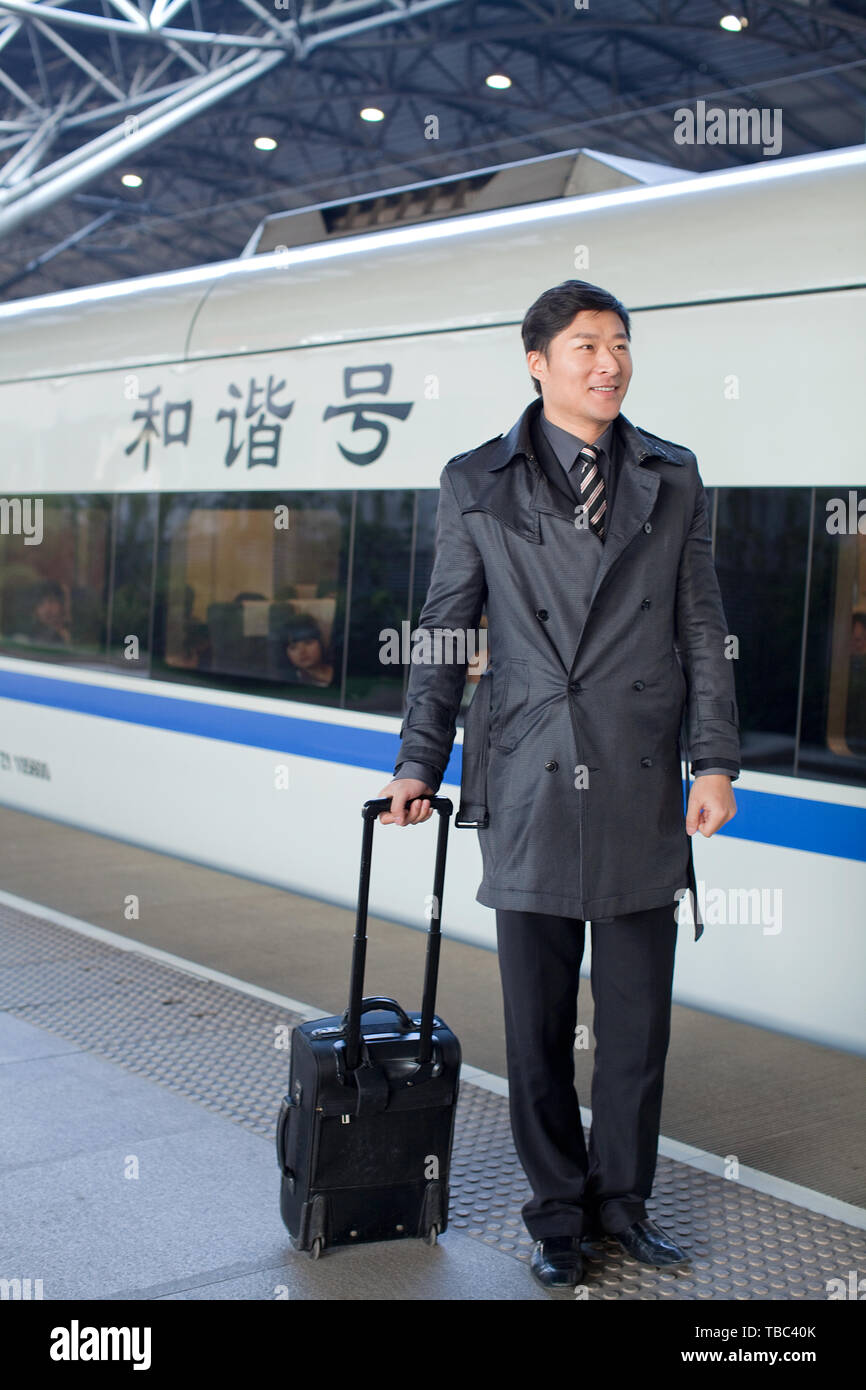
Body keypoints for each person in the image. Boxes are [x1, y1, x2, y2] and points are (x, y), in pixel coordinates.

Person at [376, 279, 740, 1293]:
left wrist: (711, 761)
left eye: (620, 344)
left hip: (634, 781)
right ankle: (556, 1215)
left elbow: (701, 631)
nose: (608, 363)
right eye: (585, 346)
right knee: (535, 1028)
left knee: (635, 1025)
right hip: (527, 777)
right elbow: (446, 632)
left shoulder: (671, 477)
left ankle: (622, 1208)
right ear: (535, 361)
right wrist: (419, 759)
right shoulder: (475, 481)